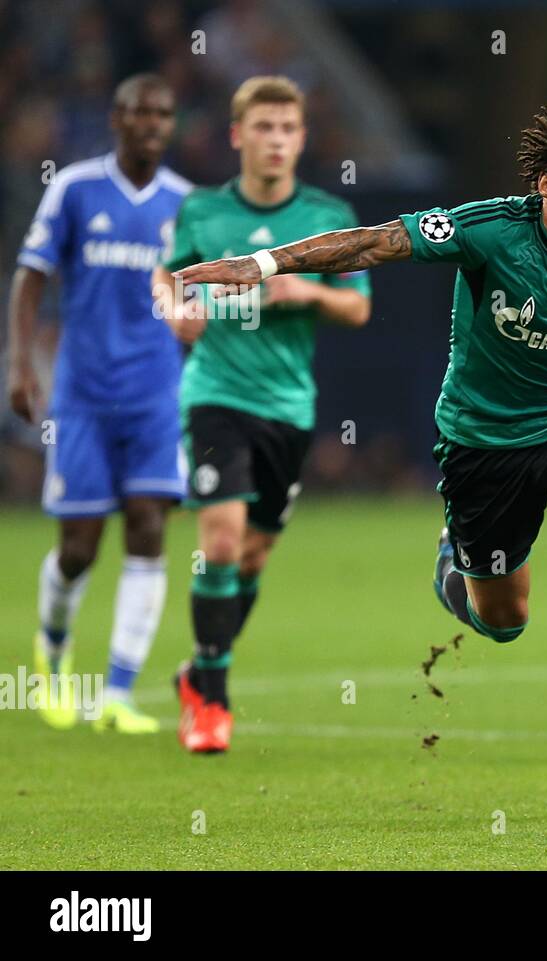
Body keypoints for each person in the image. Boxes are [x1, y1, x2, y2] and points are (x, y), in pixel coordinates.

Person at [171, 97, 547, 706]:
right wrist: (265, 263)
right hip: (484, 442)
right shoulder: (492, 230)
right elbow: (376, 243)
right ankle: (452, 565)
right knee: (503, 621)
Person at [153, 75, 372, 753]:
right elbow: (169, 277)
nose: (275, 140)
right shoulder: (203, 211)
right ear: (238, 135)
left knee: (251, 556)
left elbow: (358, 305)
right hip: (216, 395)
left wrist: (303, 289)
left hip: (287, 406)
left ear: (300, 139)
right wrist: (174, 311)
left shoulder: (325, 214)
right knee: (218, 541)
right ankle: (212, 700)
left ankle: (197, 670)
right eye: (263, 128)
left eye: (287, 129)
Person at [7, 74, 190, 733]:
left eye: (163, 112)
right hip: (82, 393)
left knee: (148, 526)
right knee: (80, 545)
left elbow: (201, 291)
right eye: (140, 111)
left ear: (171, 123)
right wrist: (21, 364)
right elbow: (30, 275)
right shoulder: (75, 188)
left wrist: (200, 317)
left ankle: (116, 693)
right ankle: (52, 652)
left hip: (155, 394)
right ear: (116, 118)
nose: (151, 122)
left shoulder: (186, 204)